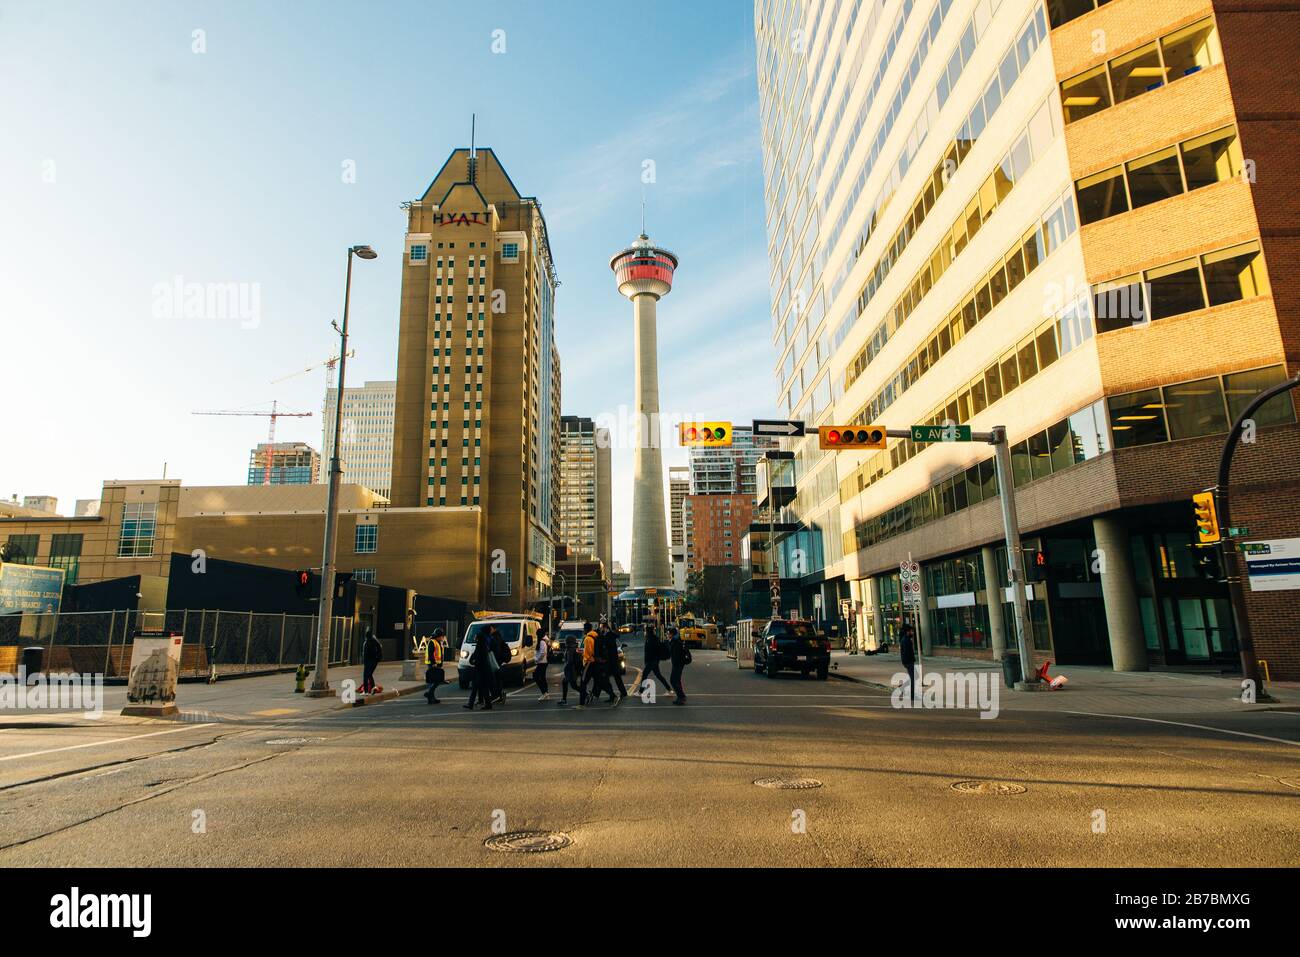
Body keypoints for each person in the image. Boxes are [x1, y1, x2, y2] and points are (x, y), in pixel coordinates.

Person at [464, 632, 495, 710]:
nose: (474, 638)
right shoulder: (482, 645)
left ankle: (486, 704)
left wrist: (474, 662)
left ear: (478, 638)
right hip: (481, 670)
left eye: (476, 636)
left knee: (482, 687)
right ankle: (471, 704)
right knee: (478, 687)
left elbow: (479, 658)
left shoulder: (481, 646)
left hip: (481, 671)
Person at [641, 624, 672, 693]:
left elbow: (651, 651)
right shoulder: (651, 638)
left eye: (645, 631)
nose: (644, 632)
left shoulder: (651, 639)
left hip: (652, 661)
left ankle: (640, 691)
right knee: (658, 675)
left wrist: (648, 661)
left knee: (644, 675)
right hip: (654, 660)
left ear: (648, 632)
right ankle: (669, 689)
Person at [668, 626, 692, 705]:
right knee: (676, 680)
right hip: (678, 663)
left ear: (672, 634)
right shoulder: (676, 640)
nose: (668, 635)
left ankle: (681, 697)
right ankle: (681, 697)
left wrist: (676, 662)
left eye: (669, 634)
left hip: (678, 664)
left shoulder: (676, 642)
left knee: (673, 680)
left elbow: (676, 654)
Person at [558, 630, 582, 707]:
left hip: (571, 670)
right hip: (572, 670)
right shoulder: (573, 648)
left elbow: (570, 661)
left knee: (571, 684)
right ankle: (564, 699)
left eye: (566, 640)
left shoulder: (570, 649)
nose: (565, 641)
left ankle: (564, 699)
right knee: (572, 685)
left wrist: (566, 667)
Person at [578, 622, 598, 707]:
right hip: (595, 662)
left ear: (586, 629)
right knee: (599, 680)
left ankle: (581, 703)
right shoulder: (596, 636)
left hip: (589, 662)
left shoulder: (587, 638)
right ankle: (612, 695)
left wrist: (584, 659)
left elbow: (589, 652)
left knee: (583, 683)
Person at [424, 628, 446, 704]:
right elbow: (430, 654)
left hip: (437, 664)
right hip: (432, 664)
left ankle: (431, 698)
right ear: (437, 636)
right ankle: (429, 694)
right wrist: (434, 663)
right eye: (441, 636)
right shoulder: (432, 642)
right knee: (436, 681)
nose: (442, 637)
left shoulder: (438, 642)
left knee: (434, 681)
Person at [361, 628, 382, 695]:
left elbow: (366, 653)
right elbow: (379, 648)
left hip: (368, 661)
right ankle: (373, 688)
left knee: (365, 675)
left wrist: (364, 661)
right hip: (375, 661)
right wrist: (378, 657)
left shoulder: (367, 642)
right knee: (369, 674)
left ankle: (366, 691)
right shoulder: (375, 642)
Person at [899, 622, 917, 702]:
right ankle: (912, 696)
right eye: (911, 631)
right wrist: (908, 662)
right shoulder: (906, 640)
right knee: (914, 678)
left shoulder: (905, 639)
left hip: (908, 661)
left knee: (914, 677)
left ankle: (903, 687)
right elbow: (906, 652)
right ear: (907, 632)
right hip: (908, 661)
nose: (912, 633)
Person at [534, 625, 550, 701]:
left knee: (536, 676)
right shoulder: (543, 641)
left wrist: (537, 659)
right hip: (543, 662)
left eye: (537, 634)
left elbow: (543, 652)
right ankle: (546, 693)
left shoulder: (542, 642)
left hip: (542, 662)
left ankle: (544, 693)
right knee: (542, 678)